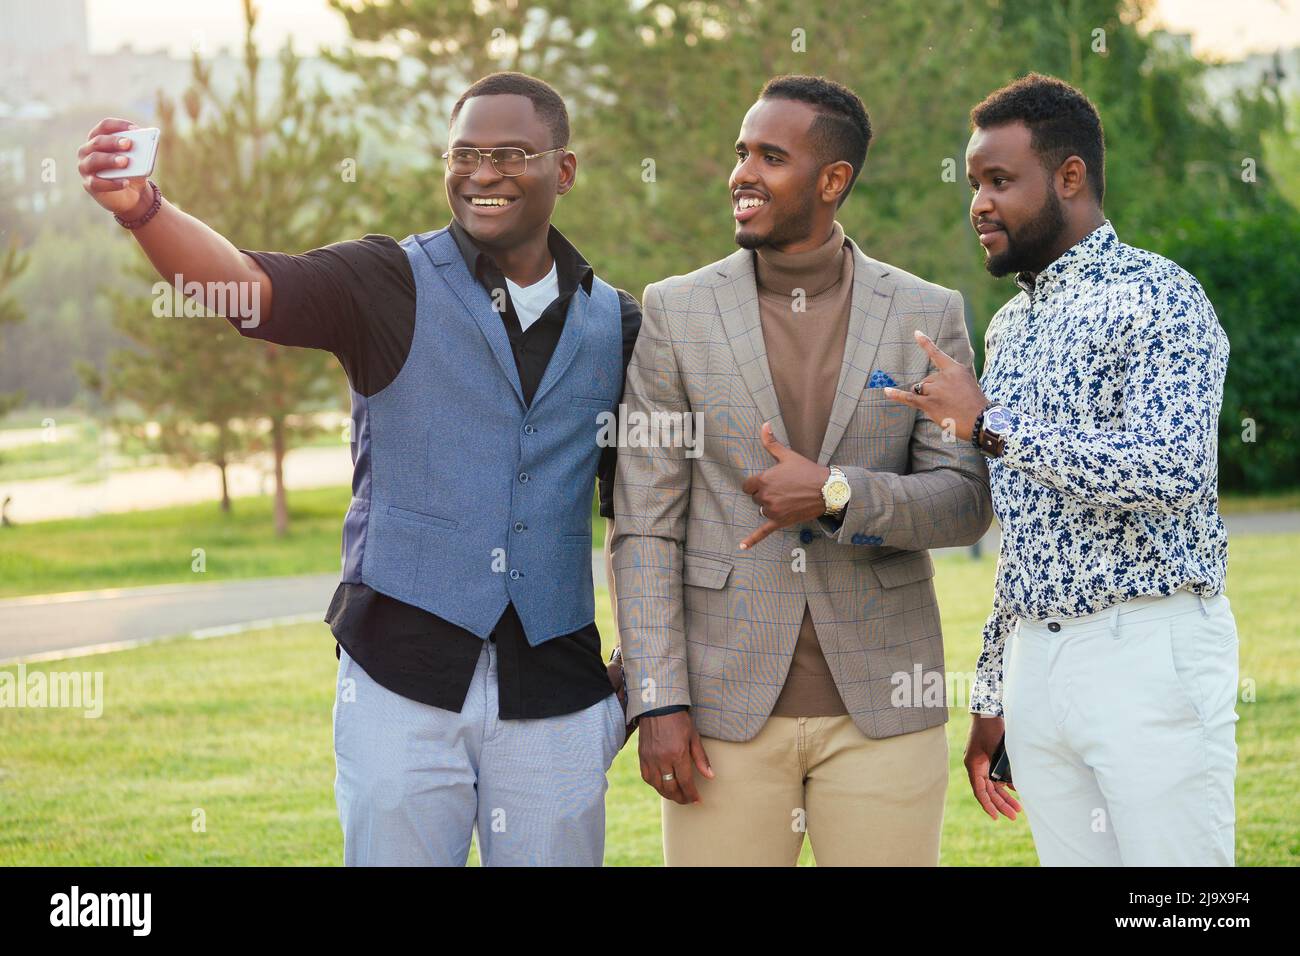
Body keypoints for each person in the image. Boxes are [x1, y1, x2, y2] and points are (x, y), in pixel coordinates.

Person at [78, 71, 641, 866]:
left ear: (565, 169)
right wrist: (144, 210)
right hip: (397, 680)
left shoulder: (616, 322)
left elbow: (647, 516)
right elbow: (248, 289)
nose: (483, 173)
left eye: (510, 153)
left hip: (557, 688)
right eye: (464, 154)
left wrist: (649, 670)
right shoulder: (387, 280)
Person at [611, 75, 992, 866]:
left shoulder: (927, 313)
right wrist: (659, 699)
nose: (741, 174)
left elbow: (963, 503)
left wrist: (838, 492)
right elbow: (644, 524)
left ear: (832, 181)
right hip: (721, 711)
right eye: (741, 153)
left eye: (770, 157)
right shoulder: (674, 313)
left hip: (885, 709)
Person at [886, 73, 1237, 866]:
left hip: (1147, 648)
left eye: (999, 181)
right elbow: (1026, 529)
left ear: (1069, 177)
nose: (978, 202)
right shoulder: (1010, 326)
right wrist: (995, 688)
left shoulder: (1161, 296)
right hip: (1039, 667)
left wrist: (990, 426)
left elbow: (1171, 468)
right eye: (974, 183)